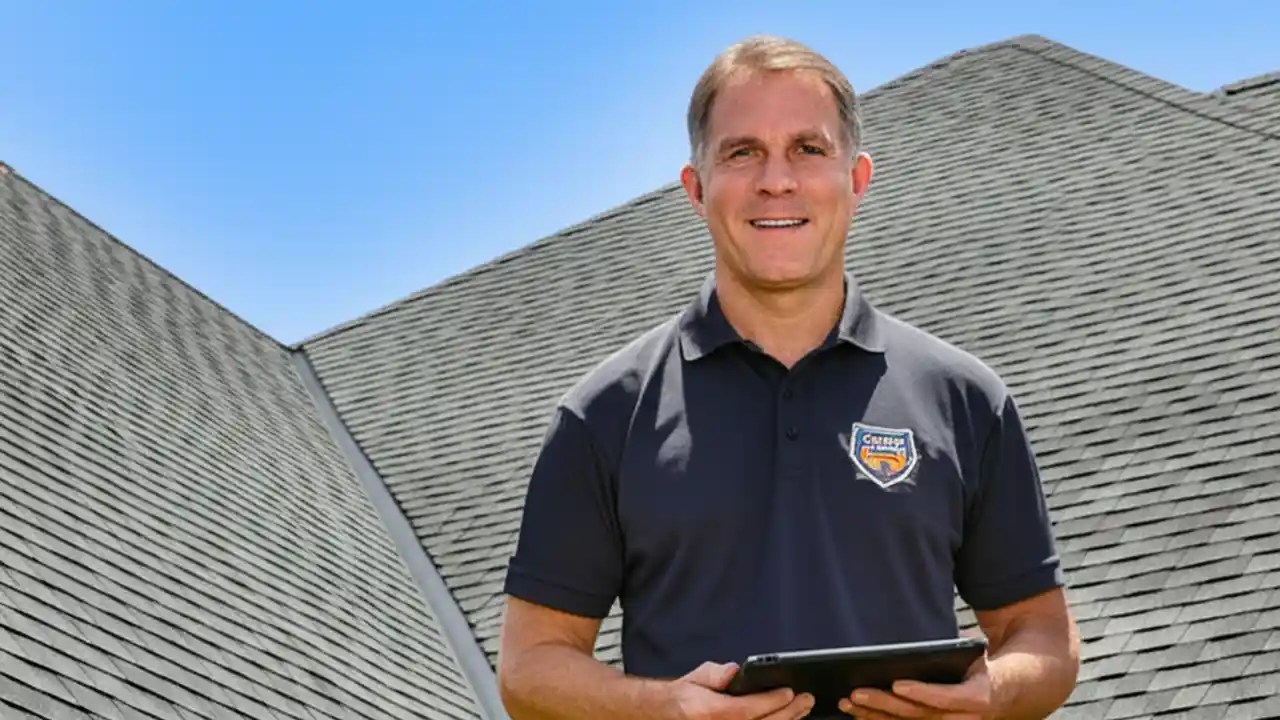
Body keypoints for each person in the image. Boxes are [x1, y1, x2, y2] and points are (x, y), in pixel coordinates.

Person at [497, 35, 1079, 719]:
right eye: (743, 153)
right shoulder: (603, 418)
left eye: (809, 149)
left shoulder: (965, 399)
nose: (778, 179)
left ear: (856, 180)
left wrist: (993, 694)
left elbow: (1043, 636)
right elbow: (529, 667)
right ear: (697, 189)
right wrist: (664, 709)